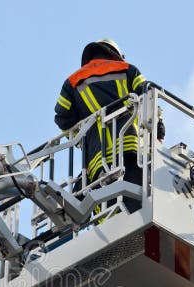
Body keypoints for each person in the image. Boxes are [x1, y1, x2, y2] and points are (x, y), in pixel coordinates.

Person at [54, 38, 146, 213]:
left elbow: (62, 117)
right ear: (116, 54)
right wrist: (158, 129)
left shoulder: (72, 81)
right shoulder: (127, 69)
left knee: (104, 210)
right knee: (136, 204)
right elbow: (148, 95)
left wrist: (81, 140)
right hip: (129, 147)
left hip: (97, 157)